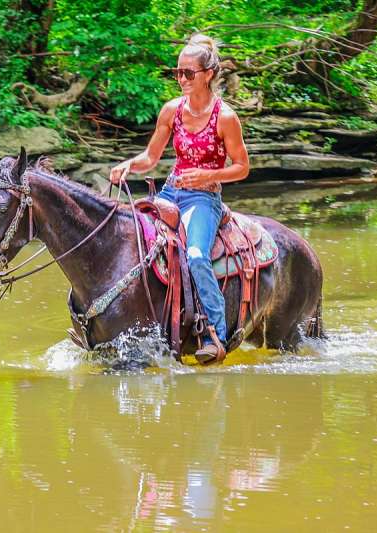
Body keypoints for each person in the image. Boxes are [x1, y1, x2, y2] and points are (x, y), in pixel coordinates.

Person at [109, 33, 250, 364]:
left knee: (197, 256)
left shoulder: (225, 117)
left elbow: (242, 167)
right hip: (171, 191)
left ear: (208, 74)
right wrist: (129, 165)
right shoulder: (172, 110)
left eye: (188, 73)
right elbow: (150, 157)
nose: (182, 79)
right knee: (133, 241)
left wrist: (208, 176)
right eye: (177, 73)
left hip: (204, 199)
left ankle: (215, 333)